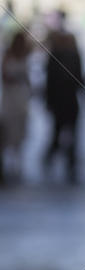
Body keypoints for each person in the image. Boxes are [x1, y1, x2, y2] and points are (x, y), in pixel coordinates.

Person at [42, 12, 84, 183]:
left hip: (63, 101)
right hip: (67, 101)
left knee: (59, 132)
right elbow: (79, 80)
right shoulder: (63, 57)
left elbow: (50, 82)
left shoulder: (58, 57)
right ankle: (65, 162)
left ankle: (59, 159)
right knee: (65, 133)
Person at [0, 30, 32, 183]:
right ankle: (10, 162)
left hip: (21, 99)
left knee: (20, 132)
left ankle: (17, 162)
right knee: (9, 131)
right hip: (10, 100)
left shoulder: (25, 56)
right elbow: (5, 77)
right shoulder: (8, 56)